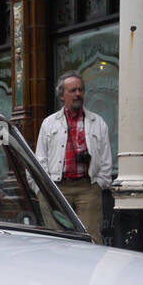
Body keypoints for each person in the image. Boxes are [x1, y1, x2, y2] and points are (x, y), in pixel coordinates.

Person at [35, 73, 113, 243]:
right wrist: (42, 190)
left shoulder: (97, 122)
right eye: (73, 90)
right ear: (62, 96)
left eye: (81, 90)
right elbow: (40, 159)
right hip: (56, 189)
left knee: (91, 239)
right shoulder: (49, 124)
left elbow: (106, 160)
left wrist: (99, 185)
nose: (78, 94)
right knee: (56, 241)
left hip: (88, 188)